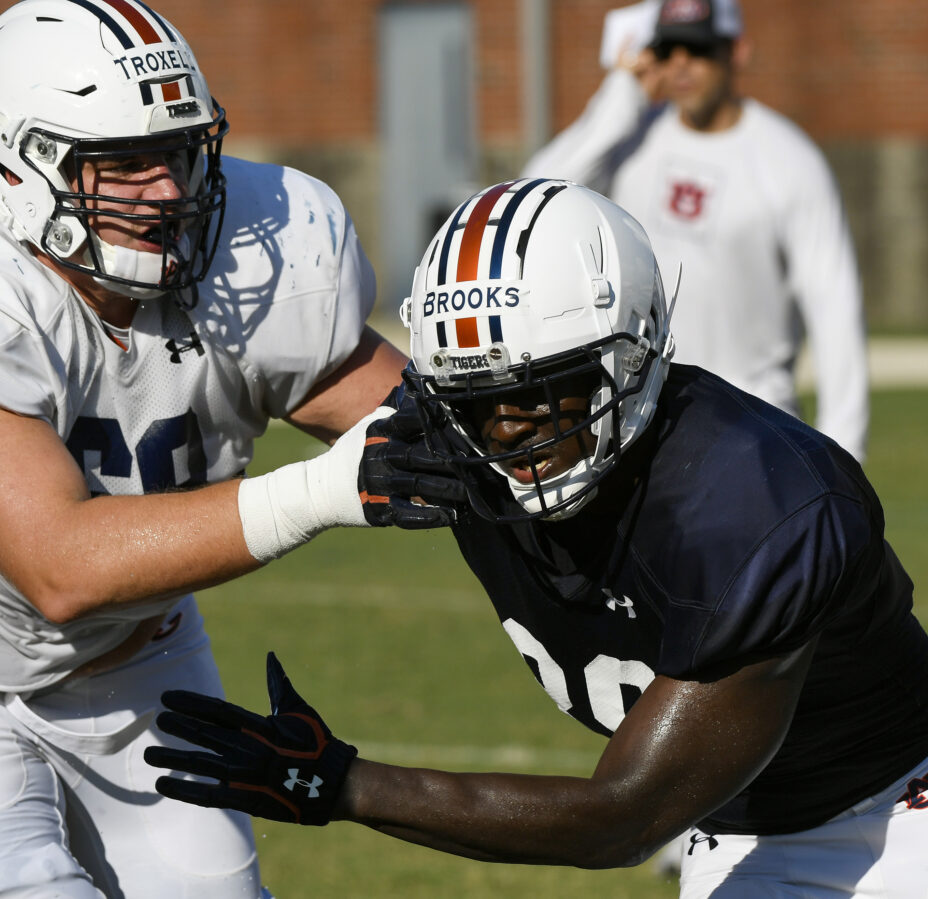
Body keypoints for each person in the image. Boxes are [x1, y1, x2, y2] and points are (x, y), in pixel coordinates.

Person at [144, 179, 928, 897]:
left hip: (891, 819)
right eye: (480, 400)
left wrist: (343, 782)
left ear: (633, 352)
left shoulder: (756, 506)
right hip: (733, 826)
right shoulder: (451, 445)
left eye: (545, 392)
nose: (510, 429)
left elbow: (623, 816)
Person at [0, 0, 449, 895]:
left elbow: (434, 437)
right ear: (16, 164)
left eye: (178, 151)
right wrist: (317, 493)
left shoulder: (255, 253)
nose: (168, 190)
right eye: (122, 164)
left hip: (141, 661)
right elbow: (59, 565)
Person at [520, 0, 869, 462]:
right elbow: (533, 196)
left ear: (736, 52)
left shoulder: (790, 161)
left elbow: (834, 310)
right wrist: (619, 98)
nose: (682, 64)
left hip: (755, 426)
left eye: (698, 49)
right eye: (668, 50)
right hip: (640, 421)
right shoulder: (630, 138)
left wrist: (844, 451)